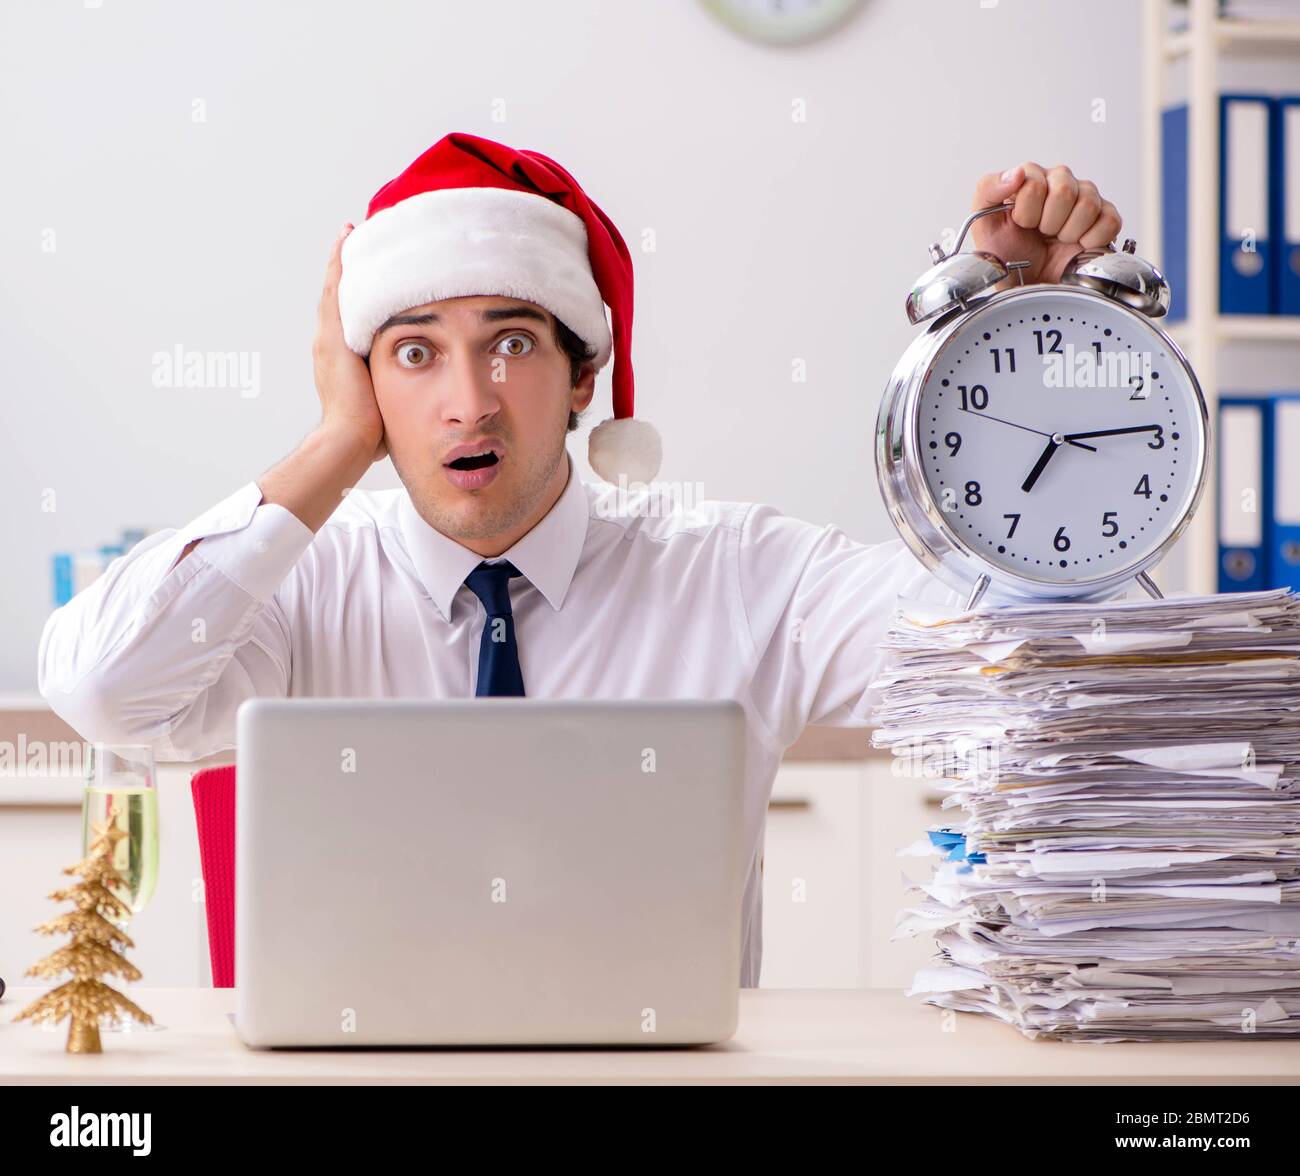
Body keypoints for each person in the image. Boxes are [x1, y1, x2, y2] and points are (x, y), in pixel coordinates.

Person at [37, 133, 1122, 987]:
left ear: (581, 377)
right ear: (368, 388)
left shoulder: (743, 576)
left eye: (511, 342)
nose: (469, 399)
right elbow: (101, 689)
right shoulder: (295, 590)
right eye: (415, 353)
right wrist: (330, 446)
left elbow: (1045, 664)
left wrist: (1022, 349)